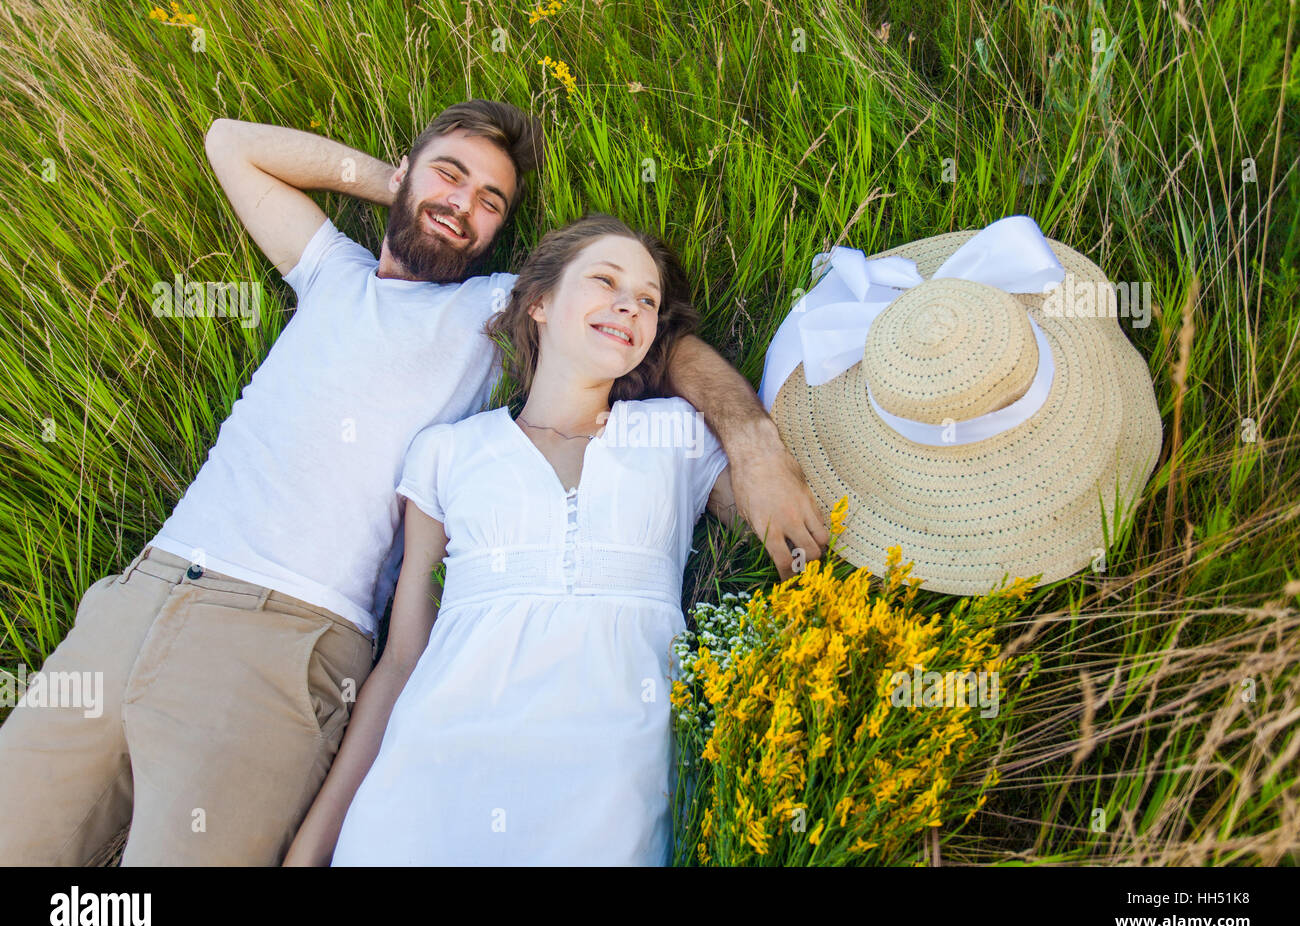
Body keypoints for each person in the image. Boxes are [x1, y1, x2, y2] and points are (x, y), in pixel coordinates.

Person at [0, 99, 826, 866]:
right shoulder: (333, 273)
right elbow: (231, 144)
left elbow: (657, 340)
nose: (464, 204)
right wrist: (386, 182)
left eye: (491, 203)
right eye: (450, 175)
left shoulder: (496, 308)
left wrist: (753, 442)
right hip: (142, 594)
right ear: (407, 169)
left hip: (279, 635)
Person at [286, 213, 736, 866]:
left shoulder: (676, 437)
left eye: (646, 300)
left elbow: (797, 520)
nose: (627, 305)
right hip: (426, 795)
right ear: (540, 303)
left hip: (609, 804)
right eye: (605, 281)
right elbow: (404, 659)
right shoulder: (447, 452)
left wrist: (757, 443)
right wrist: (310, 850)